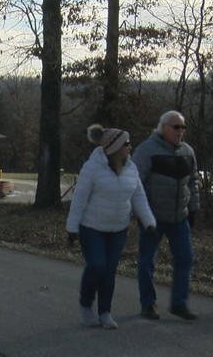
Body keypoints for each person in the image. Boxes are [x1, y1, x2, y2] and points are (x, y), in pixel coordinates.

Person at [66, 124, 156, 329]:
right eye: (126, 143)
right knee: (97, 266)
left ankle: (105, 311)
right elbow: (79, 198)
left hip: (118, 229)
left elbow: (139, 197)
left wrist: (149, 222)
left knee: (109, 271)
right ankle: (86, 303)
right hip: (92, 227)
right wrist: (72, 228)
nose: (130, 147)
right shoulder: (92, 167)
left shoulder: (131, 168)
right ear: (114, 147)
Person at [132, 110, 200, 321]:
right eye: (176, 127)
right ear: (163, 128)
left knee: (186, 259)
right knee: (147, 261)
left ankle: (179, 304)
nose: (180, 131)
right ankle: (148, 304)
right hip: (152, 218)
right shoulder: (146, 150)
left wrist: (194, 208)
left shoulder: (188, 152)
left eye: (183, 127)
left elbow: (193, 181)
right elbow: (135, 183)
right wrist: (140, 213)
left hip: (180, 217)